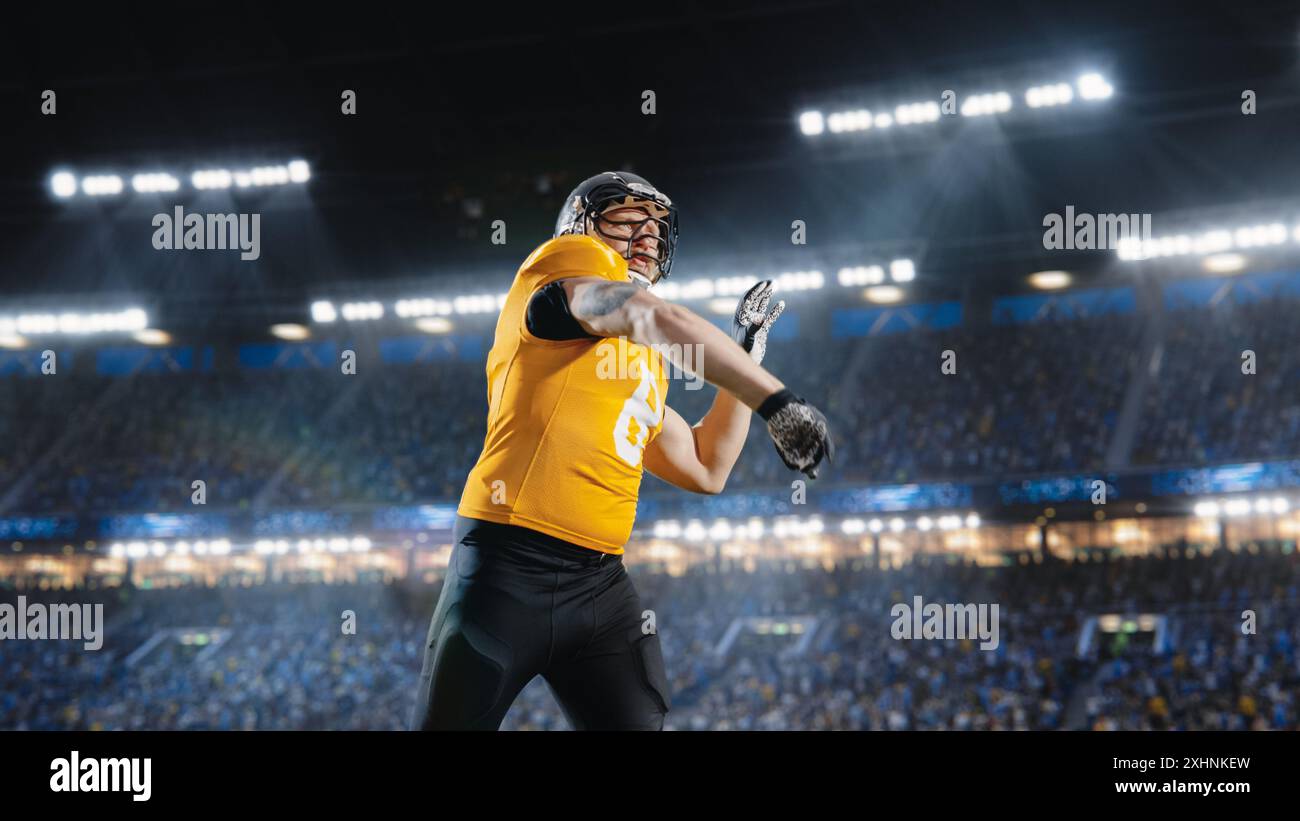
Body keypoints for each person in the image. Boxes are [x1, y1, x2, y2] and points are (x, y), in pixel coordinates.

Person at [412, 171, 832, 730]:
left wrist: (745, 360)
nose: (649, 234)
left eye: (656, 225)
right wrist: (773, 400)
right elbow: (647, 314)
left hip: (601, 585)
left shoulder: (641, 360)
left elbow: (708, 466)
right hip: (505, 569)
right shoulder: (563, 269)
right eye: (628, 218)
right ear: (581, 226)